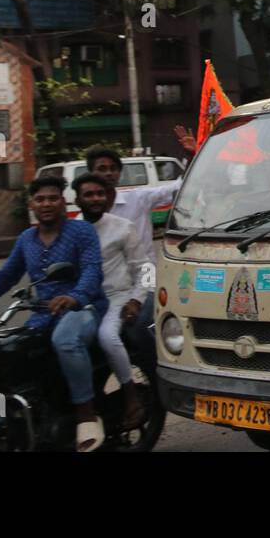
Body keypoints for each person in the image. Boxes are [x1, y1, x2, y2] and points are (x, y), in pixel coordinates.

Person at [0, 177, 109, 450]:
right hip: (44, 315)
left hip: (85, 307)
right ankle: (15, 418)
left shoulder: (81, 231)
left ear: (63, 202)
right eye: (40, 199)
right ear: (31, 204)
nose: (46, 204)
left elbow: (93, 269)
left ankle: (85, 413)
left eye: (53, 198)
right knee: (3, 353)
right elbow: (5, 276)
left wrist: (74, 296)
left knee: (65, 340)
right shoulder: (26, 239)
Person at [73, 174, 151, 430]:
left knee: (108, 337)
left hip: (116, 298)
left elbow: (146, 270)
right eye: (89, 194)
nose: (95, 199)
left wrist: (136, 301)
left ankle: (130, 395)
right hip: (82, 301)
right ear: (77, 200)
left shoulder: (122, 226)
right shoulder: (71, 229)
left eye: (100, 194)